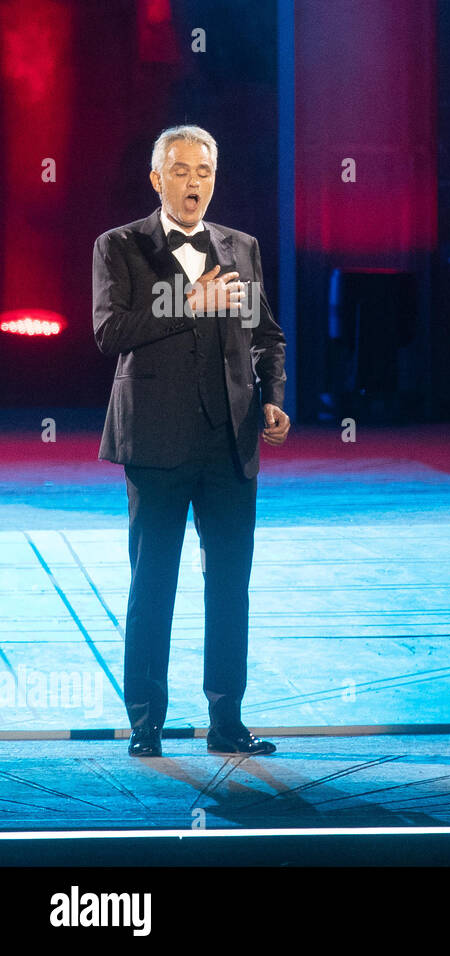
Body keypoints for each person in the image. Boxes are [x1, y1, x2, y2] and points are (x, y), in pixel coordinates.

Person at [93, 124, 288, 757]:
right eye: (180, 171)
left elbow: (266, 336)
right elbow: (109, 330)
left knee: (231, 584)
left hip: (230, 445)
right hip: (155, 444)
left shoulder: (242, 247)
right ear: (157, 180)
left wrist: (273, 399)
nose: (193, 182)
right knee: (153, 583)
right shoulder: (119, 247)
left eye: (203, 171)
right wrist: (188, 302)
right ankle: (146, 721)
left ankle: (226, 720)